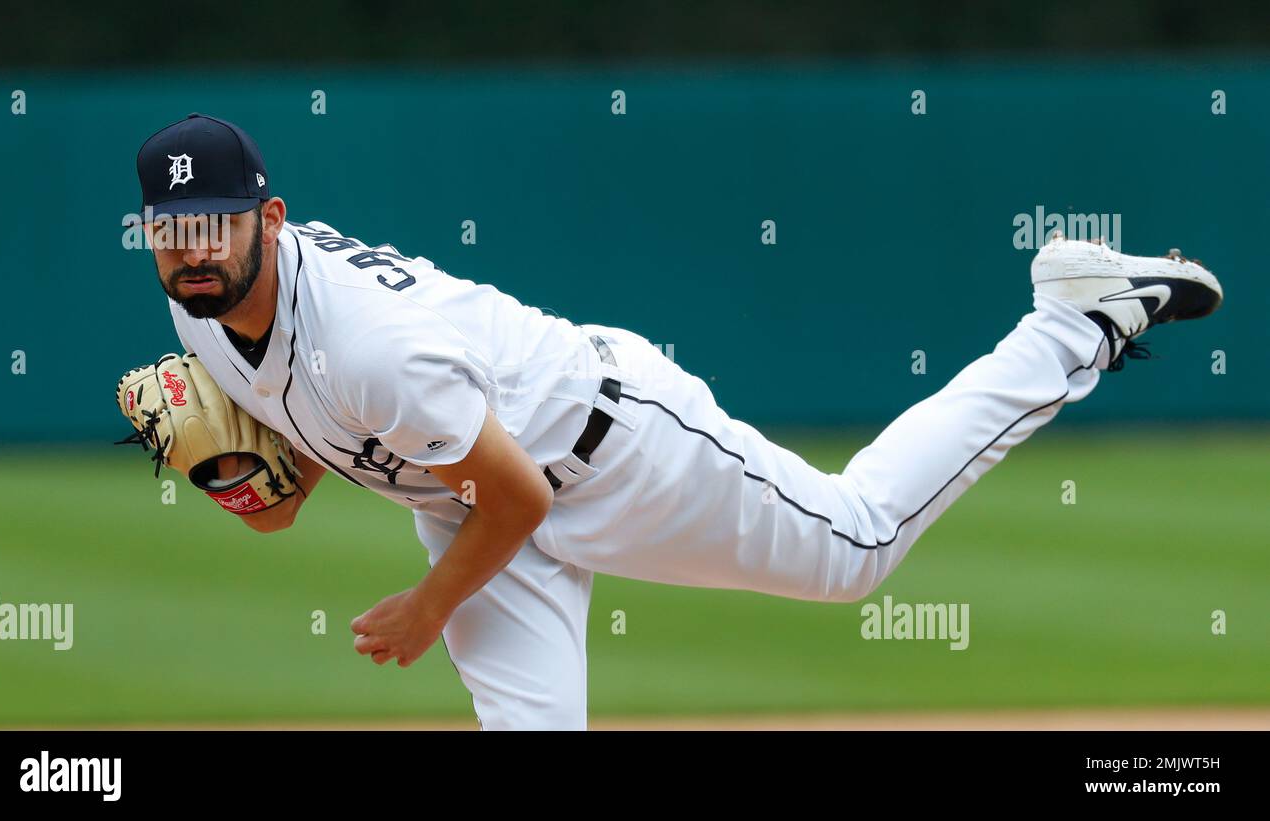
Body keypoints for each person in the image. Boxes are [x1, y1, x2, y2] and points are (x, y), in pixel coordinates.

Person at [135, 113, 1224, 729]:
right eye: (169, 225)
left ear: (268, 219)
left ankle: (1071, 322)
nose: (191, 246)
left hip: (611, 448)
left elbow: (511, 492)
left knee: (855, 547)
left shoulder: (370, 340)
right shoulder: (200, 316)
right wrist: (250, 482)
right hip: (473, 501)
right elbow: (309, 465)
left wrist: (426, 610)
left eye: (213, 223)